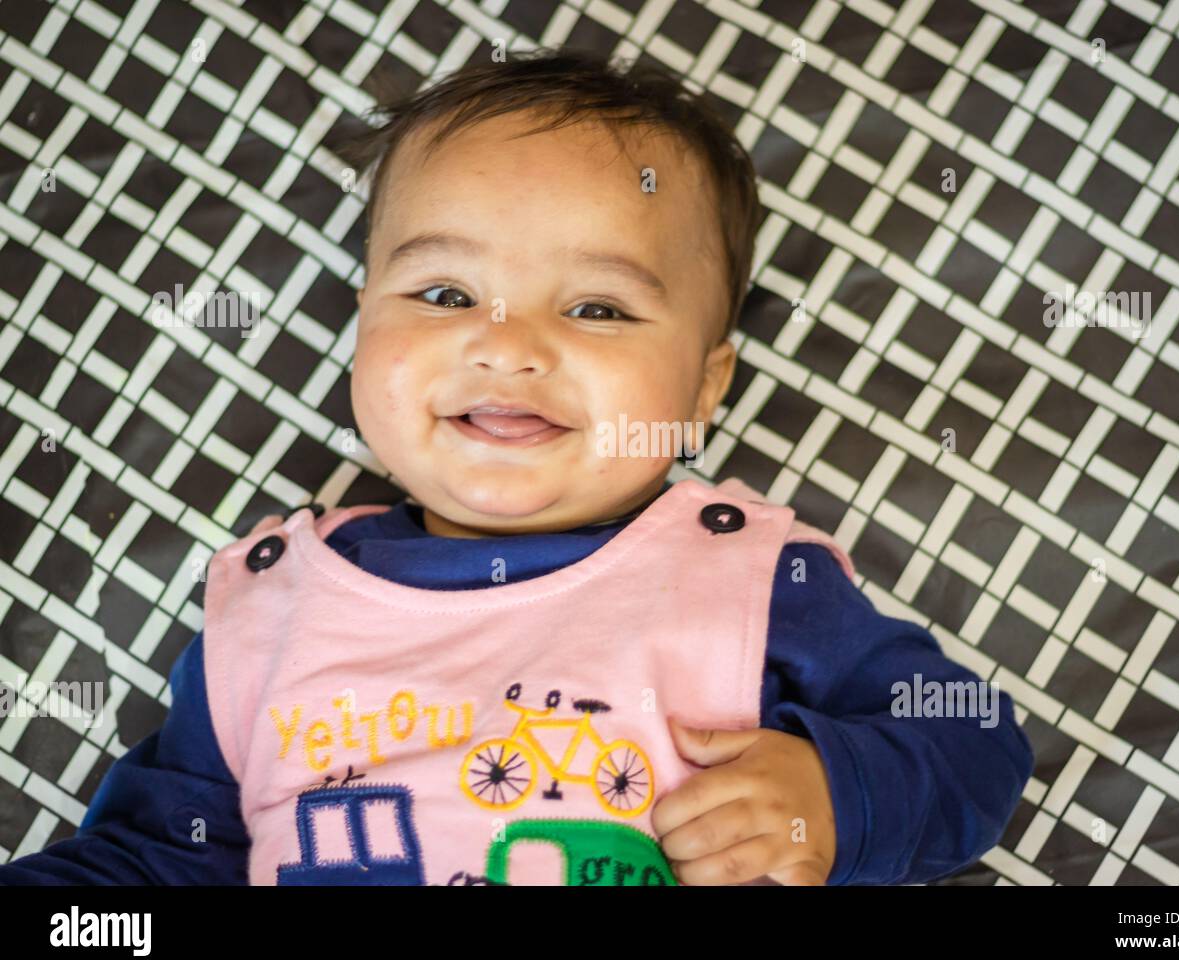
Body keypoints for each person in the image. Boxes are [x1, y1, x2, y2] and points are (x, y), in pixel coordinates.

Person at [0, 47, 1033, 886]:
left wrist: (832, 795)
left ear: (706, 385)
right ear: (361, 329)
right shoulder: (272, 609)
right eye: (445, 295)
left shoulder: (750, 578)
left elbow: (972, 739)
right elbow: (149, 862)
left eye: (596, 308)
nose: (507, 345)